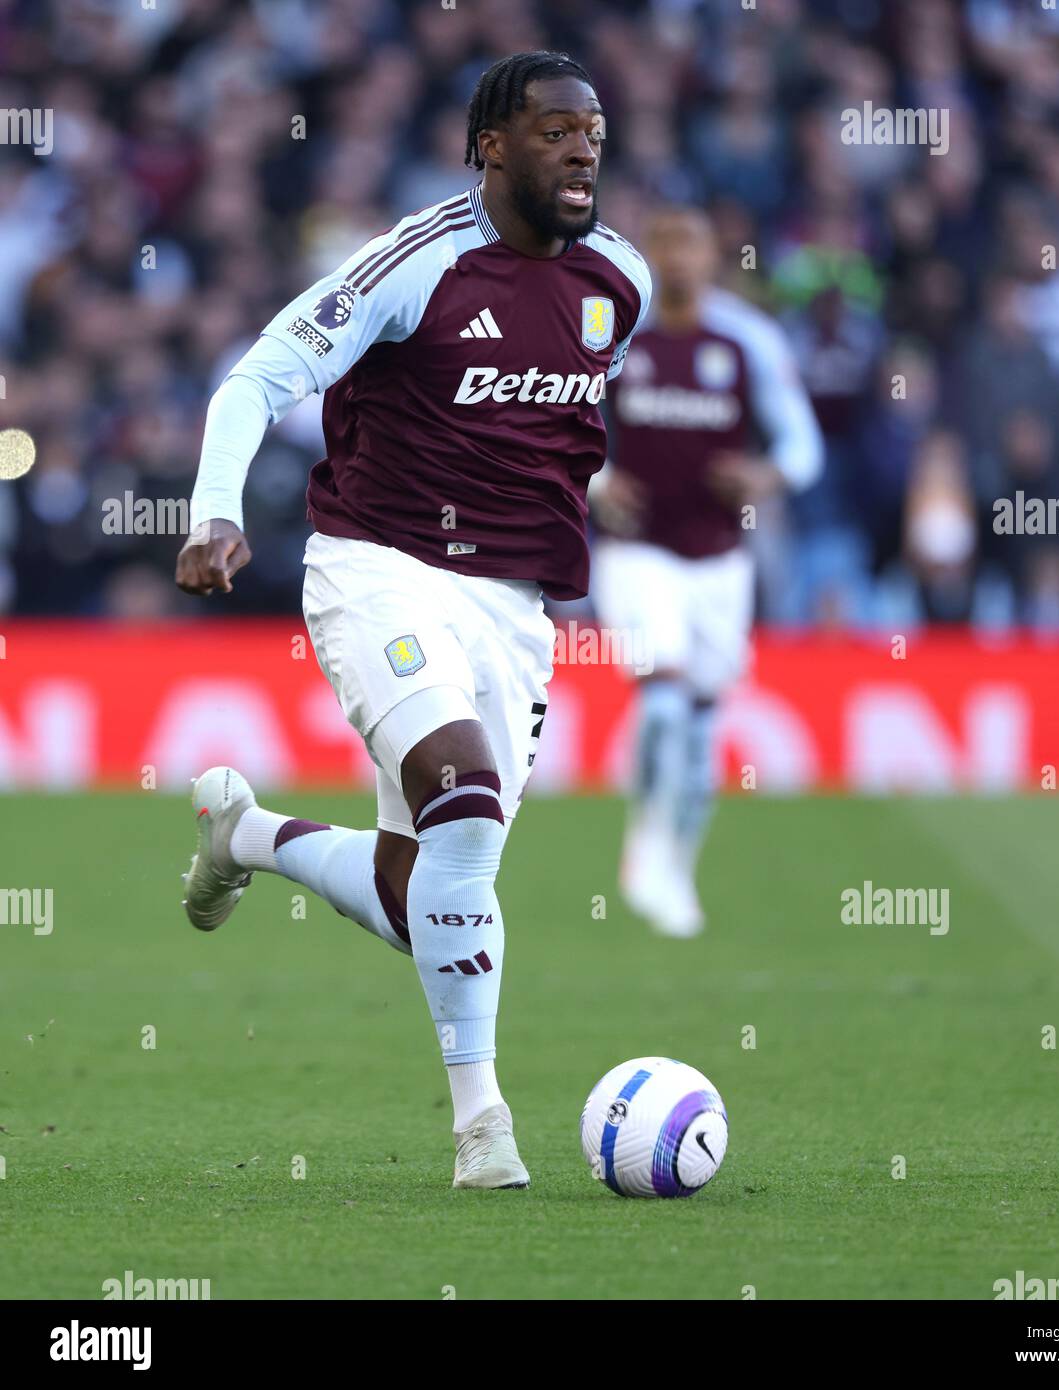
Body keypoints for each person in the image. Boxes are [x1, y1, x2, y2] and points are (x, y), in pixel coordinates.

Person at [173, 52, 651, 1190]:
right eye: (553, 131)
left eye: (593, 131)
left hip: (514, 610)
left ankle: (249, 837)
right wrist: (212, 514)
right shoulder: (417, 262)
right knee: (465, 795)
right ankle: (483, 1125)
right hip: (379, 570)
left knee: (427, 889)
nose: (582, 149)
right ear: (491, 145)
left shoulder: (620, 282)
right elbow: (254, 381)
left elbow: (559, 429)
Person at [589, 205, 821, 937]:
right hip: (637, 552)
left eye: (691, 245)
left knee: (699, 732)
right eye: (664, 244)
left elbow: (802, 448)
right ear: (649, 253)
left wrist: (763, 476)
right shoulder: (615, 338)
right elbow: (558, 425)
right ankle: (644, 846)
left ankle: (674, 865)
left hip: (721, 562)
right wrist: (596, 482)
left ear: (715, 257)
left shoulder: (748, 342)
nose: (678, 258)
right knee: (661, 704)